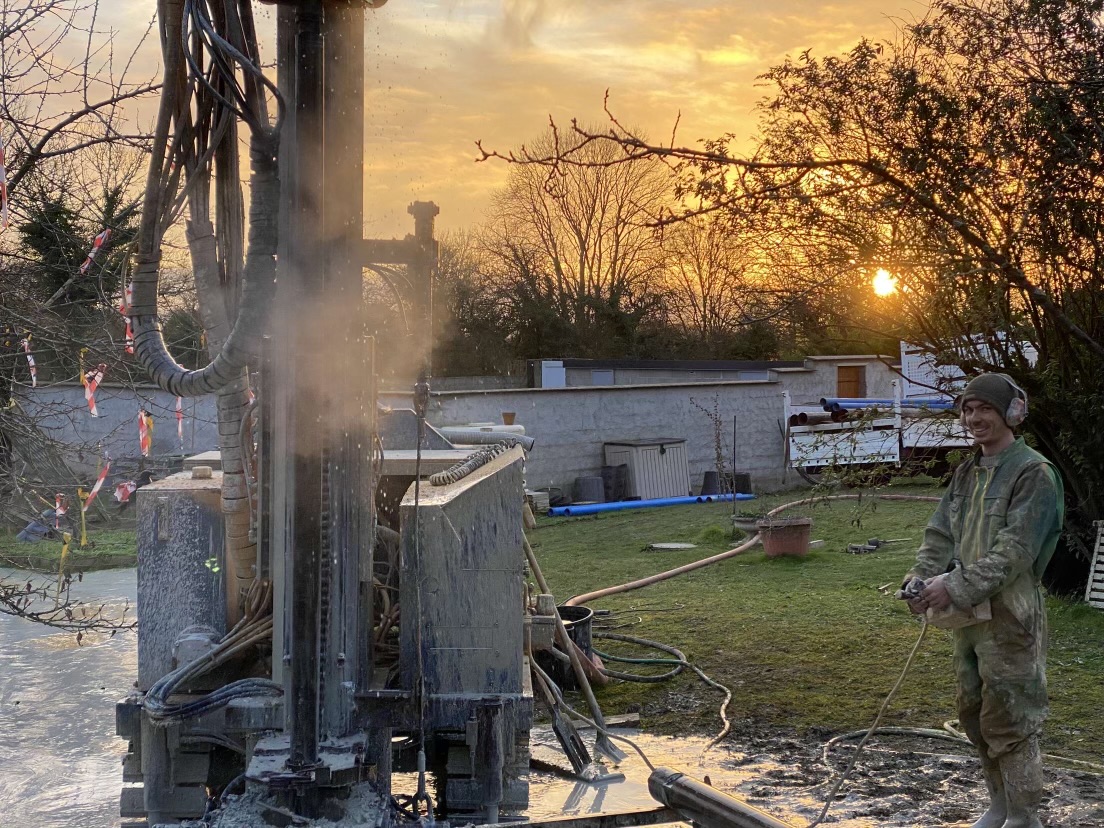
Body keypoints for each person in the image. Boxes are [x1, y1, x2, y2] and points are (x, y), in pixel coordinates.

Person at [902, 373, 1063, 828]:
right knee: (973, 714)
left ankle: (1023, 817)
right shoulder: (967, 471)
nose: (975, 418)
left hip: (1011, 616)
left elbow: (1014, 551)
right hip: (969, 617)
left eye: (985, 409)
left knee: (1011, 717)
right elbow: (940, 533)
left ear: (1011, 412)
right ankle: (999, 806)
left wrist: (951, 586)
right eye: (968, 410)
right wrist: (920, 577)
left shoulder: (1034, 473)